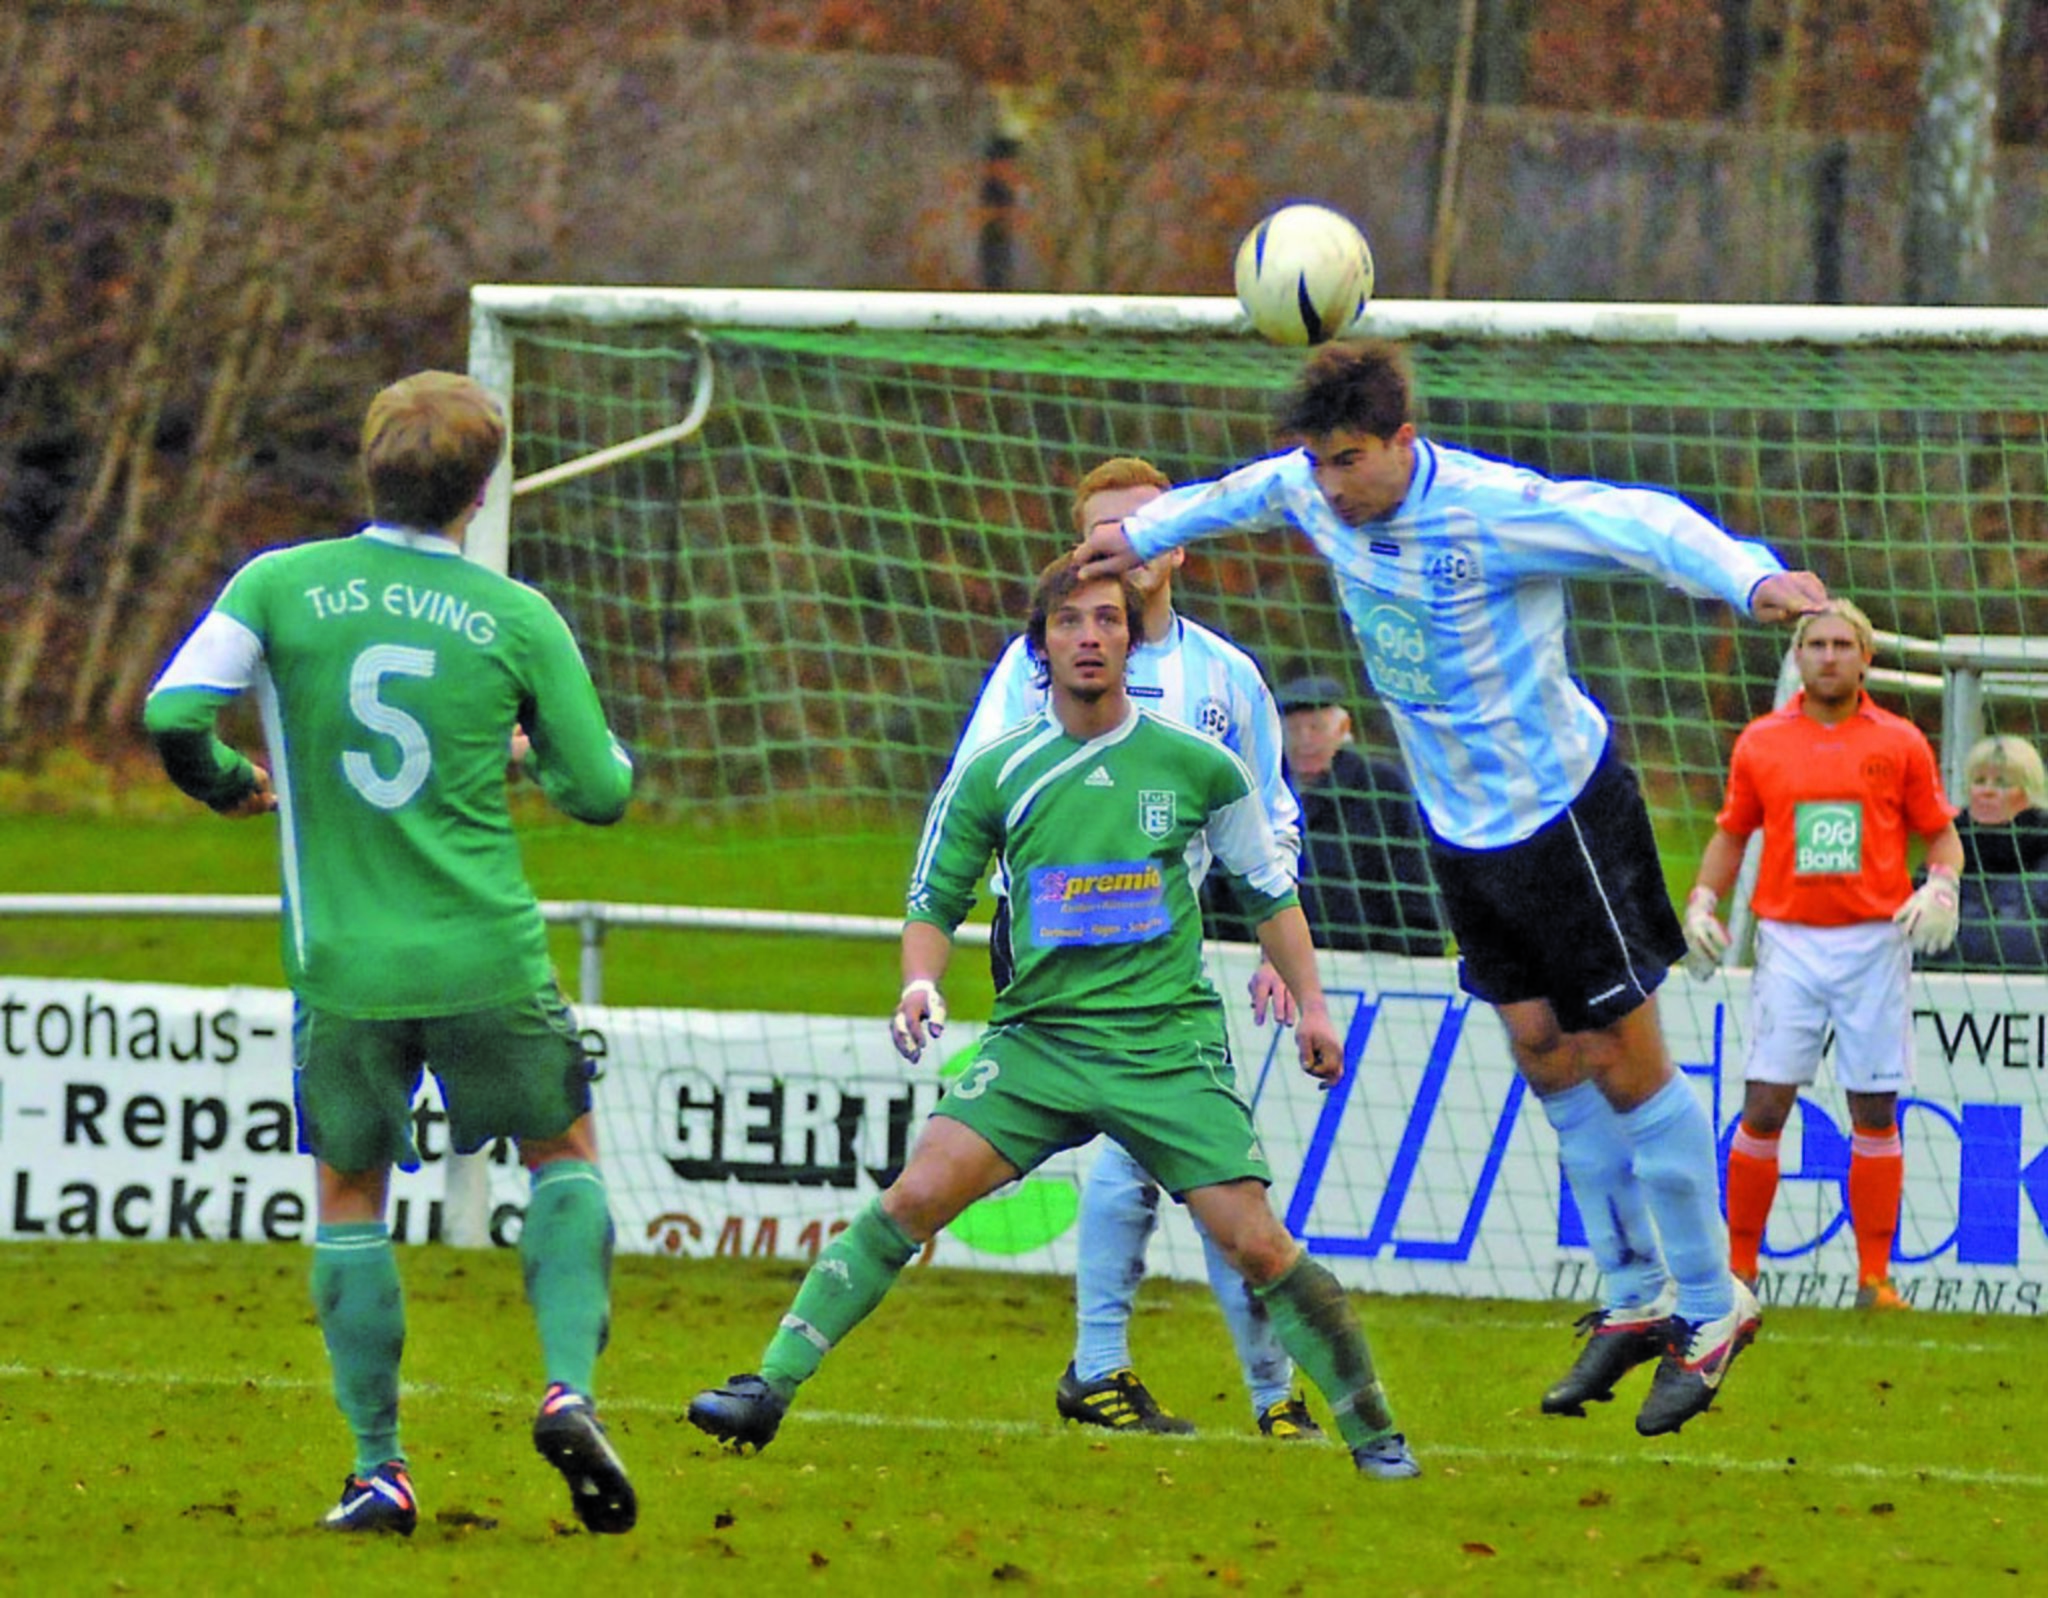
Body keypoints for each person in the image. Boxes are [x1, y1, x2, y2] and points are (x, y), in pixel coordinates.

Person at [1071, 336, 1829, 1437]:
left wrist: (1745, 571)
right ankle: (1629, 1292)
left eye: (1347, 462)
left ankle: (1710, 1306)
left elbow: (1639, 520)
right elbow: (1233, 494)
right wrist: (1132, 533)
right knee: (1535, 1045)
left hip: (1563, 811)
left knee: (1622, 1055)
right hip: (1462, 828)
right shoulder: (1308, 487)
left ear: (1400, 443)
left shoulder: (1490, 507)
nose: (1327, 488)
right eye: (1317, 464)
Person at [688, 558, 1421, 1480]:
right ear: (1041, 647)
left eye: (1107, 621)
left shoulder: (1198, 765)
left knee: (1256, 1242)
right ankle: (768, 1387)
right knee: (914, 1197)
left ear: (1129, 638)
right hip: (1039, 1040)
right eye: (1068, 621)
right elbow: (931, 901)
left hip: (1163, 1044)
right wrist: (920, 985)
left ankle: (1374, 1432)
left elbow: (1270, 892)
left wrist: (1311, 1004)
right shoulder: (997, 774)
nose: (1089, 636)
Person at [143, 371, 639, 1536]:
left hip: (343, 969)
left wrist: (221, 784)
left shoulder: (276, 582)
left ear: (367, 465)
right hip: (486, 957)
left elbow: (172, 712)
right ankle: (568, 1385)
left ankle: (379, 1469)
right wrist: (527, 762)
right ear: (480, 490)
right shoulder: (515, 615)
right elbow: (604, 788)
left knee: (350, 1194)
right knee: (560, 1152)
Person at [949, 457, 1317, 1441]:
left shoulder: (1225, 678)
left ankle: (1137, 1372)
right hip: (1054, 944)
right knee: (1161, 1147)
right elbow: (972, 791)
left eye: (1136, 528)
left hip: (1170, 947)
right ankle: (1252, 1388)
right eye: (1096, 531)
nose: (1115, 546)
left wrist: (1275, 949)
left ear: (1176, 544)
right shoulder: (1036, 668)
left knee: (1177, 1155)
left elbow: (1266, 817)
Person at [1681, 599, 1960, 1312]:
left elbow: (1940, 834)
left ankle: (1875, 1278)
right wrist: (1702, 903)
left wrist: (1943, 889)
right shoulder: (1763, 742)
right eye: (1817, 644)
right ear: (1798, 656)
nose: (1830, 655)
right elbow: (1731, 833)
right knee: (1766, 1102)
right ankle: (1739, 1271)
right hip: (1790, 942)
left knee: (1874, 1105)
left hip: (1873, 943)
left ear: (1866, 657)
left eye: (1843, 644)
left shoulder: (1900, 742)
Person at [1258, 673, 1444, 956]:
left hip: (1368, 962)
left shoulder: (1382, 787)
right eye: (1293, 730)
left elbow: (1414, 883)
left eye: (1316, 727)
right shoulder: (1258, 789)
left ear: (1342, 729)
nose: (1305, 740)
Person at [1955, 734, 2048, 876]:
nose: (1987, 791)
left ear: (2028, 792)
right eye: (1979, 781)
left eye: (2002, 783)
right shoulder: (1949, 844)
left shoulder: (2042, 846)